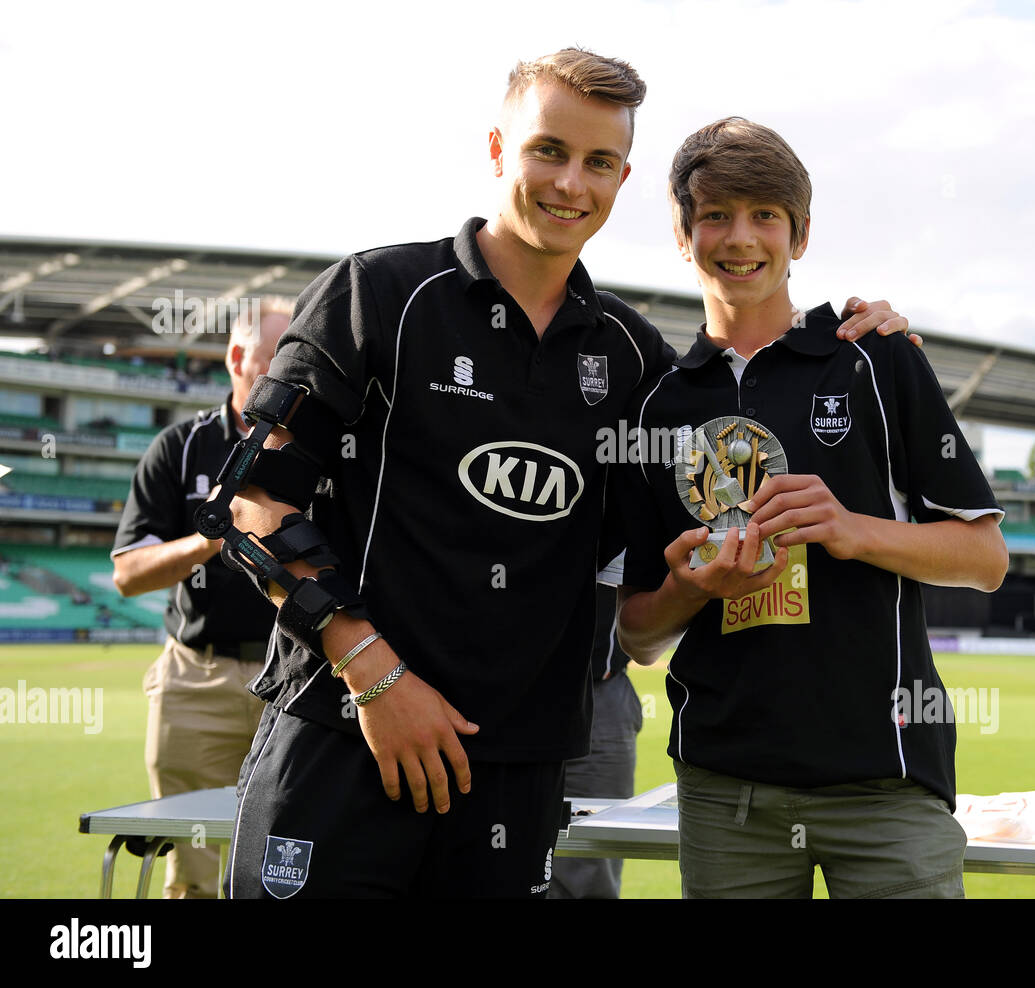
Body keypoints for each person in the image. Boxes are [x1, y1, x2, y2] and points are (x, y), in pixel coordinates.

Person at [219, 50, 912, 900]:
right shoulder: (379, 294)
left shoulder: (632, 361)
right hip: (344, 733)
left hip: (516, 771)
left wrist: (845, 336)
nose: (570, 183)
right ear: (497, 148)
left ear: (623, 178)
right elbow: (249, 500)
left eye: (598, 162)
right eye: (548, 150)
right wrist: (375, 672)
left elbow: (740, 443)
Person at [615, 118, 1009, 898]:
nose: (741, 237)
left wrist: (853, 529)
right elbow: (636, 635)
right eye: (717, 214)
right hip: (728, 789)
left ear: (800, 235)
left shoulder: (876, 356)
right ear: (682, 231)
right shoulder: (655, 407)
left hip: (887, 781)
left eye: (766, 215)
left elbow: (985, 559)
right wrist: (692, 588)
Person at [111, 297, 292, 898]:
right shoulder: (179, 446)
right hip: (198, 681)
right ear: (238, 357)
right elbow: (129, 574)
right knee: (192, 873)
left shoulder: (326, 449)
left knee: (288, 864)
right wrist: (210, 538)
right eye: (277, 358)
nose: (291, 374)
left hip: (295, 680)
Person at [548, 555, 642, 899]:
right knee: (483, 861)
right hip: (486, 694)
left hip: (599, 694)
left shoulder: (624, 501)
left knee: (592, 871)